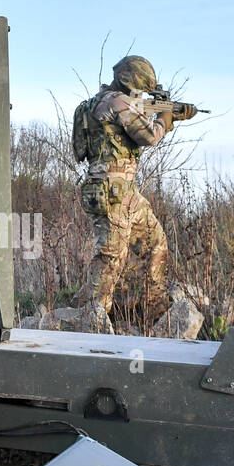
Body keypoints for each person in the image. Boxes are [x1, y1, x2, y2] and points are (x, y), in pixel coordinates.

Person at [72, 55, 193, 325]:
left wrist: (162, 111)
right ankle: (93, 320)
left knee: (155, 243)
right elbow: (149, 137)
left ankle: (155, 309)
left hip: (120, 190)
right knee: (111, 257)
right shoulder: (118, 102)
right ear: (132, 81)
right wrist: (166, 118)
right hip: (112, 190)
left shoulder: (90, 105)